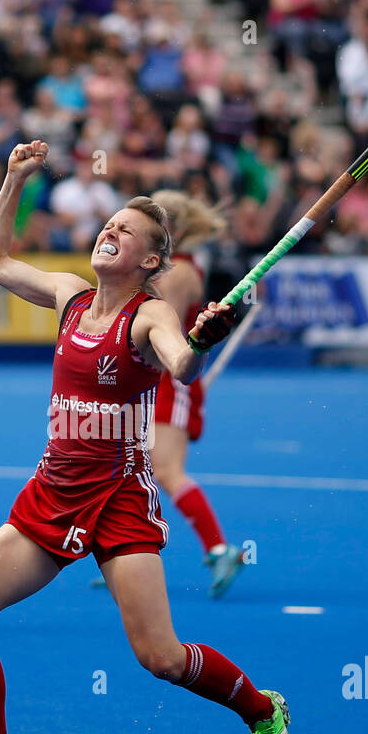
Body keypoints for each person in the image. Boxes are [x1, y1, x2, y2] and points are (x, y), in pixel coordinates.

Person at [0, 140, 299, 734]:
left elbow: (178, 364)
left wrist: (202, 337)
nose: (109, 231)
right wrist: (12, 179)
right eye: (109, 223)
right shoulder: (69, 297)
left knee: (161, 658)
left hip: (120, 499)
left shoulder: (150, 312)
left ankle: (263, 714)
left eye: (126, 232)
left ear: (152, 260)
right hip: (53, 493)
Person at [146, 189, 245, 597]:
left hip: (172, 379)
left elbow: (157, 332)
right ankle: (128, 554)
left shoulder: (178, 273)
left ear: (174, 228)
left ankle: (220, 549)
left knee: (166, 470)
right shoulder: (168, 270)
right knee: (139, 469)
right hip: (153, 379)